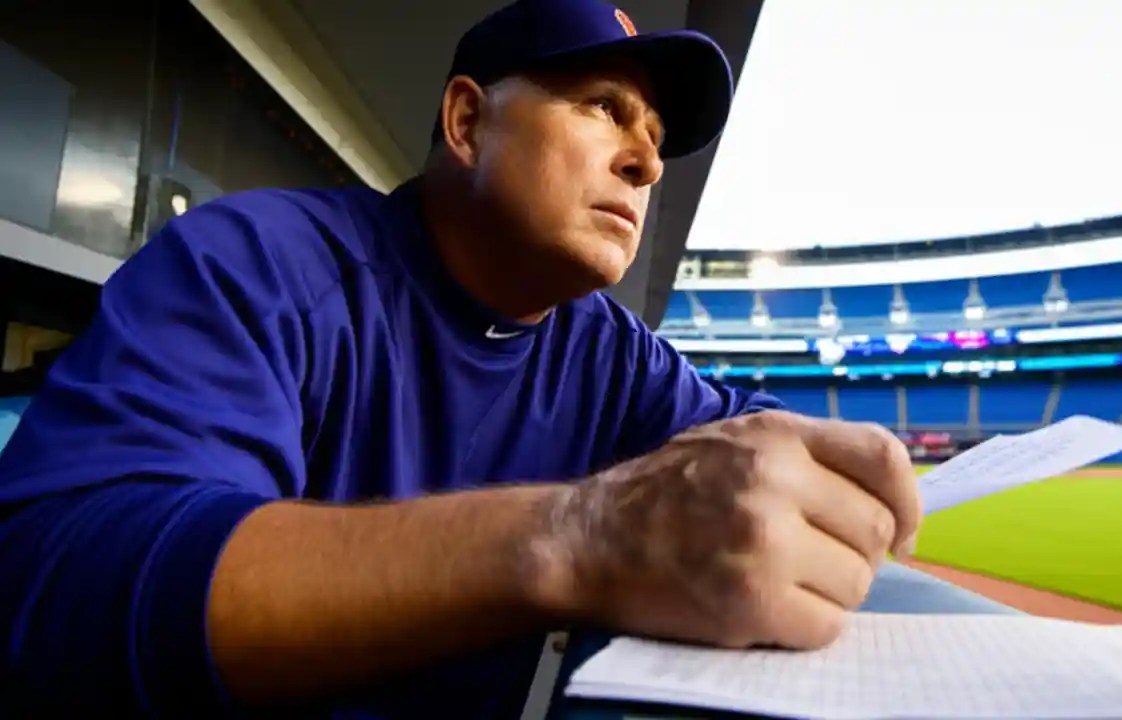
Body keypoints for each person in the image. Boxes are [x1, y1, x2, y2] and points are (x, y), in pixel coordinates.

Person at [0, 0, 922, 717]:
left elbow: (751, 436)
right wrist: (579, 534)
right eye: (607, 109)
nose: (646, 162)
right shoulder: (259, 260)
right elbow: (55, 583)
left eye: (656, 142)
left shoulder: (607, 351)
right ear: (467, 122)